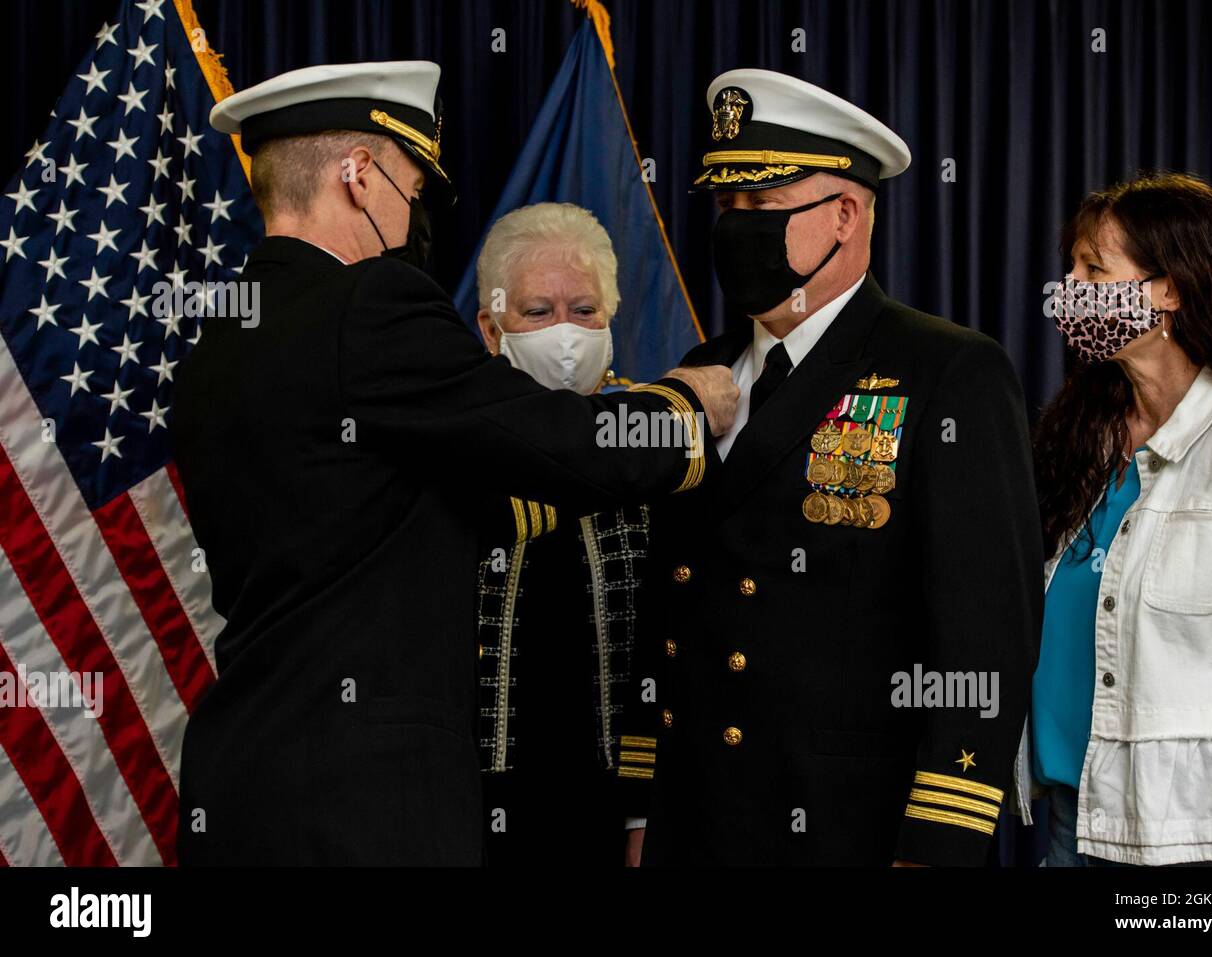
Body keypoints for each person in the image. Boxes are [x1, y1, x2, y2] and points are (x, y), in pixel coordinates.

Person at [169, 61, 738, 865]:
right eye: (408, 188)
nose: (413, 220)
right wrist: (684, 407)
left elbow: (404, 510)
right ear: (359, 176)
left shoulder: (218, 346)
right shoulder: (369, 308)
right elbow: (560, 441)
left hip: (239, 788)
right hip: (365, 809)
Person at [640, 69, 1043, 866]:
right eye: (726, 206)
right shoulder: (700, 370)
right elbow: (666, 606)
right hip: (695, 815)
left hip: (847, 823)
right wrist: (640, 805)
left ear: (846, 215)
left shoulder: (944, 369)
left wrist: (939, 835)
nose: (735, 227)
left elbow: (983, 629)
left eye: (761, 205)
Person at [1024, 172, 1212, 866]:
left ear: (1169, 289)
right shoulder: (1079, 437)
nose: (1069, 285)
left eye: (1094, 267)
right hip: (1075, 813)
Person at [471, 202, 661, 866]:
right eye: (537, 312)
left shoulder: (656, 454)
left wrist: (645, 810)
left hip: (612, 811)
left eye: (584, 311)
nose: (565, 333)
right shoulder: (454, 451)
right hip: (472, 808)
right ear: (491, 330)